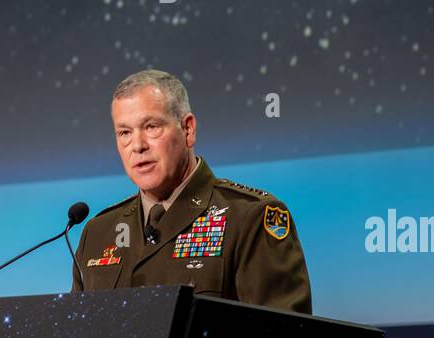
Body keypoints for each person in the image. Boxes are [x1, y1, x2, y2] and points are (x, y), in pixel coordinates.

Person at [71, 69, 312, 313]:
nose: (137, 145)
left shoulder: (250, 218)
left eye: (151, 126)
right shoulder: (97, 233)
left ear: (188, 130)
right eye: (124, 133)